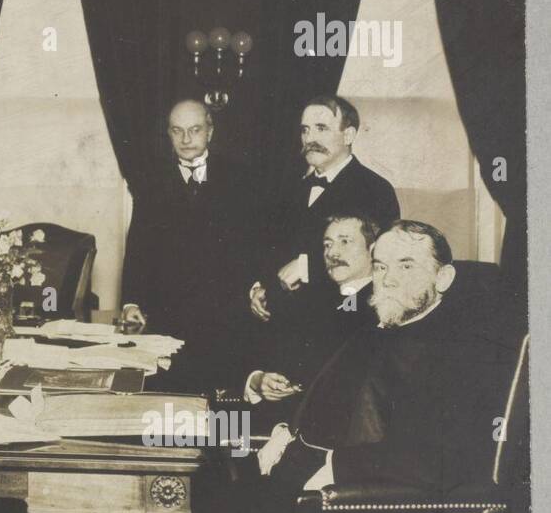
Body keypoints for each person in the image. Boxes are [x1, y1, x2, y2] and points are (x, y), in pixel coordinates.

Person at [198, 220, 523, 513]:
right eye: (381, 266)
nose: (386, 279)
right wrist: (289, 433)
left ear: (445, 278)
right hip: (312, 491)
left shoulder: (460, 351)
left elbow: (436, 458)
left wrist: (332, 466)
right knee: (200, 505)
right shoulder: (380, 330)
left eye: (406, 266)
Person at [119, 99, 256, 395]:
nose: (186, 139)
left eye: (194, 130)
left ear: (210, 132)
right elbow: (138, 248)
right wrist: (131, 302)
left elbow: (251, 248)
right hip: (166, 316)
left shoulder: (241, 179)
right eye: (177, 131)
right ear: (168, 134)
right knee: (169, 405)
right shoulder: (149, 181)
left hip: (225, 318)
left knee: (222, 412)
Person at [248, 95, 398, 326]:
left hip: (339, 322)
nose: (310, 139)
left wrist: (308, 266)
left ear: (348, 135)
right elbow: (270, 244)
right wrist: (260, 285)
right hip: (280, 320)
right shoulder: (289, 188)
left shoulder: (375, 189)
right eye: (305, 130)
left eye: (321, 128)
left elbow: (379, 258)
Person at [241, 213, 379, 431]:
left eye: (345, 241)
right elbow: (266, 355)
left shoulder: (382, 309)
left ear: (373, 250)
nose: (332, 253)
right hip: (281, 424)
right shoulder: (310, 301)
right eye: (327, 244)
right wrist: (259, 380)